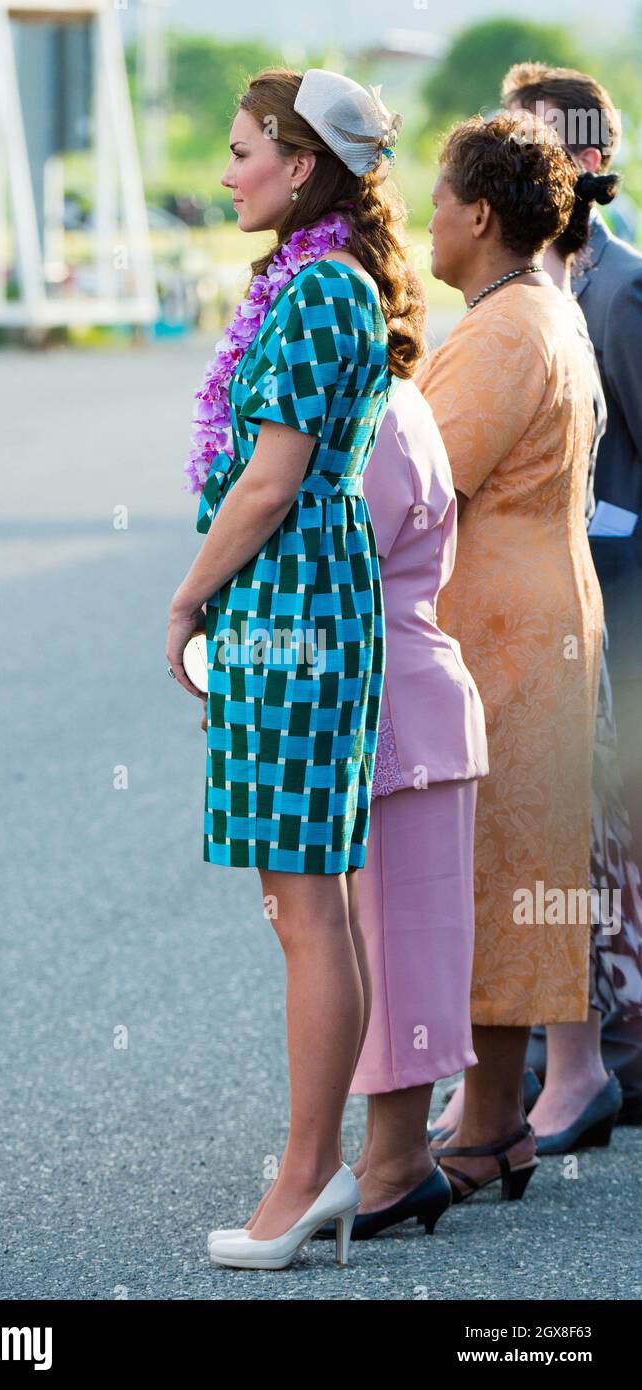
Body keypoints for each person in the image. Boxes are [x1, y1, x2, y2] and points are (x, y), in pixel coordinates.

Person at [166, 65, 426, 1269]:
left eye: (239, 151)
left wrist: (187, 594)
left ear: (303, 164)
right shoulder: (322, 278)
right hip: (306, 600)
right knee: (306, 901)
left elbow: (270, 478)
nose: (225, 174)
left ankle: (305, 1175)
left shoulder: (321, 288)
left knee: (306, 904)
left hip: (295, 605)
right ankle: (319, 1167)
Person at [417, 112, 604, 1202]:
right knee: (520, 867)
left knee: (496, 868)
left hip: (506, 632)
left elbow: (425, 483)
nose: (425, 221)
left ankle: (486, 1125)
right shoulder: (542, 308)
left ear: (479, 214)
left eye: (437, 200)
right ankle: (497, 1124)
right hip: (544, 614)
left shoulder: (501, 330)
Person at [306, 366, 491, 1245]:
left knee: (396, 944)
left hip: (397, 707)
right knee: (398, 939)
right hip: (410, 701)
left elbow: (335, 558)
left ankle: (395, 1163)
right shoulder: (399, 400)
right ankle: (395, 1156)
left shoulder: (375, 416)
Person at [502, 62, 642, 1126]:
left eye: (538, 142)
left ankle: (612, 1054)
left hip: (621, 594)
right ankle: (571, 1054)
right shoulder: (525, 284)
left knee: (616, 824)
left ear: (588, 156)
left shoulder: (621, 286)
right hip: (554, 602)